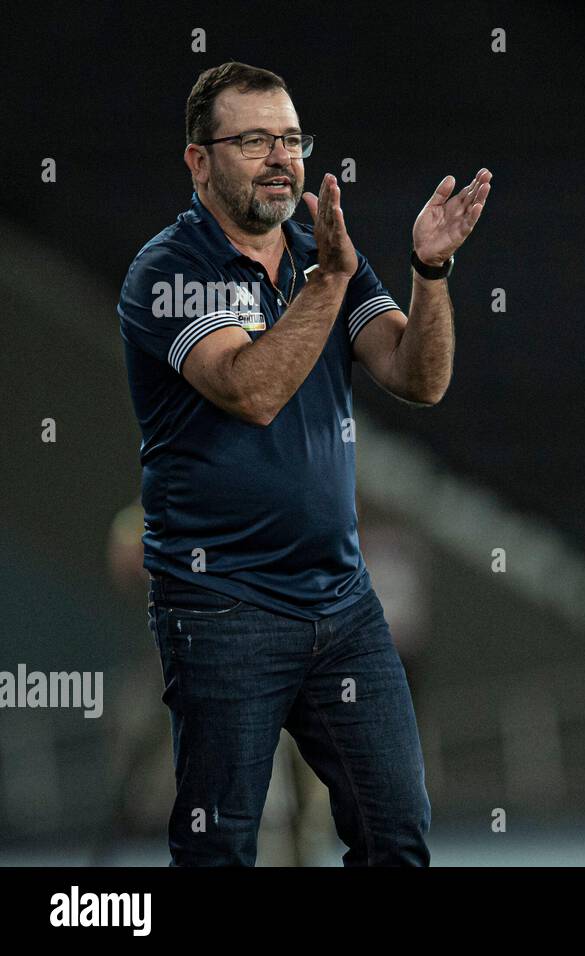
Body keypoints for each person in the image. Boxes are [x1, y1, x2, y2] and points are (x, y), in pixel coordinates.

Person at [117, 61, 491, 865]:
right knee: (219, 850)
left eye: (291, 139)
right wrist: (328, 283)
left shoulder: (318, 256)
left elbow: (419, 378)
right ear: (199, 161)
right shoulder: (170, 270)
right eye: (254, 140)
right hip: (222, 605)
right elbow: (250, 390)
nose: (281, 158)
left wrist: (429, 272)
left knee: (396, 833)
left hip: (342, 603)